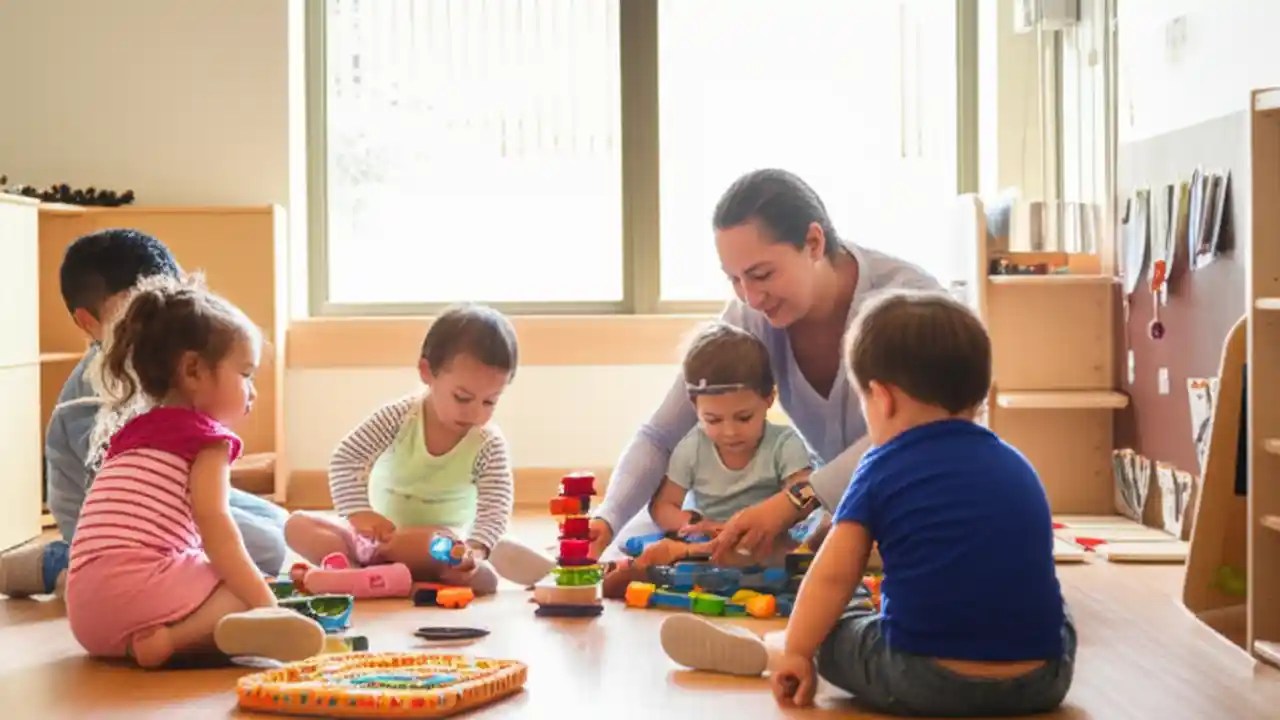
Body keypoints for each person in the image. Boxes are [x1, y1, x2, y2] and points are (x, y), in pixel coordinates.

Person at [659, 290, 1075, 716]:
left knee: (838, 612)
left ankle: (776, 651)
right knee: (1058, 617)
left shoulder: (881, 467)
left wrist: (801, 650)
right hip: (1042, 681)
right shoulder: (1019, 465)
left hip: (925, 679)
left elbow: (832, 576)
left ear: (883, 397)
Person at [588, 168, 942, 561]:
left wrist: (794, 502)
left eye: (761, 275)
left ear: (812, 242)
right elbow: (660, 434)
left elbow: (908, 433)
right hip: (836, 502)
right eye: (735, 280)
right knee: (645, 536)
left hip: (921, 492)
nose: (751, 297)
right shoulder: (750, 316)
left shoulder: (911, 303)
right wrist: (607, 518)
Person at [0, 229, 289, 599]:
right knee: (265, 549)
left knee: (281, 526)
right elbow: (121, 498)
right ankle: (62, 562)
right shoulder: (92, 394)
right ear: (87, 323)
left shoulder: (166, 368)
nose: (158, 332)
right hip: (122, 527)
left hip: (174, 500)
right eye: (133, 318)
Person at [66, 274, 325, 668]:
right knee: (239, 586)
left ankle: (167, 638)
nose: (252, 391)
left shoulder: (130, 435)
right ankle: (174, 639)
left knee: (228, 580)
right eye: (246, 374)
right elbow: (217, 529)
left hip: (87, 615)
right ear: (193, 370)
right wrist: (268, 605)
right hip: (142, 594)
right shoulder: (206, 439)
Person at [284, 303, 555, 593]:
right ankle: (357, 572)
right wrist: (359, 512)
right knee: (296, 525)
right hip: (375, 541)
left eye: (489, 401)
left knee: (475, 572)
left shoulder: (487, 443)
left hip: (437, 549)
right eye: (463, 397)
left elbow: (495, 506)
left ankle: (365, 577)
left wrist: (475, 550)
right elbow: (347, 458)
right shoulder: (399, 418)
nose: (475, 413)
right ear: (427, 372)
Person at [601, 322, 813, 595]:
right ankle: (654, 571)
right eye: (713, 419)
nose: (729, 431)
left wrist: (774, 520)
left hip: (766, 540)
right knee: (650, 544)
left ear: (769, 399)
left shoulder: (785, 444)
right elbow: (664, 505)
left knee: (799, 552)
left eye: (743, 417)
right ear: (694, 406)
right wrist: (690, 523)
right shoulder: (692, 447)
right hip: (706, 542)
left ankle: (670, 572)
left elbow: (805, 492)